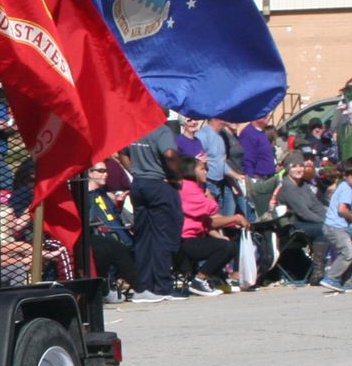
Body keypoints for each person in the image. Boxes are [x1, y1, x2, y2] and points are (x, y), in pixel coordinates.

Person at [127, 120, 185, 301]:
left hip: (139, 184)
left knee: (143, 236)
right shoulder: (161, 130)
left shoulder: (135, 128)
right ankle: (162, 287)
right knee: (163, 236)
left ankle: (144, 286)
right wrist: (177, 176)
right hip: (158, 183)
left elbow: (122, 153)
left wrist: (137, 172)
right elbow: (169, 154)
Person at [175, 154, 247, 294]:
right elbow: (211, 210)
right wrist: (235, 218)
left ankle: (218, 280)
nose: (206, 172)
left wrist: (219, 235)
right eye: (202, 169)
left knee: (225, 243)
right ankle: (199, 281)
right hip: (184, 241)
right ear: (191, 170)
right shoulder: (187, 188)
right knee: (227, 247)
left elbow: (205, 222)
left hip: (194, 237)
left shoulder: (195, 187)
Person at [82, 163, 140, 301]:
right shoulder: (85, 196)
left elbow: (114, 216)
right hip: (104, 235)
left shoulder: (103, 193)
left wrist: (117, 203)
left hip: (120, 233)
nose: (105, 174)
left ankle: (142, 284)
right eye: (101, 171)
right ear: (90, 173)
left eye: (106, 171)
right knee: (115, 247)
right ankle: (139, 287)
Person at [271, 154, 329, 284]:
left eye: (301, 166)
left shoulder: (303, 185)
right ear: (287, 169)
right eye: (294, 166)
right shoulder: (287, 187)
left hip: (306, 222)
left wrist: (328, 218)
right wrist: (324, 222)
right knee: (323, 229)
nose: (299, 169)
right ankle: (318, 271)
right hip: (291, 225)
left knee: (334, 227)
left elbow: (316, 205)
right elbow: (303, 213)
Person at [320, 161, 352, 292]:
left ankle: (346, 281)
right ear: (346, 176)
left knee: (345, 253)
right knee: (348, 254)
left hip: (334, 226)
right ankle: (331, 278)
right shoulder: (347, 190)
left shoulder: (343, 186)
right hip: (336, 227)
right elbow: (342, 209)